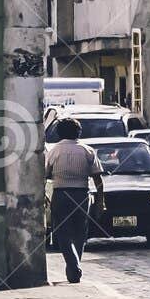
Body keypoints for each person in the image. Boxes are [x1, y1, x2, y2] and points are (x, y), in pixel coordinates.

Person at [45, 116, 104, 283]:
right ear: (78, 132)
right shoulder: (88, 150)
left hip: (60, 193)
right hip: (82, 194)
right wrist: (100, 201)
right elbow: (98, 180)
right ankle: (74, 266)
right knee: (80, 232)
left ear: (58, 133)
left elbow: (44, 173)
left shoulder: (54, 151)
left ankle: (73, 266)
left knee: (62, 233)